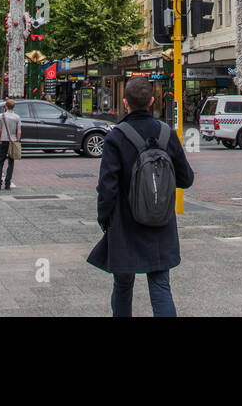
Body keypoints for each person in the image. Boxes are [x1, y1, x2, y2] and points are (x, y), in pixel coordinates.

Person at [87, 76, 194, 317]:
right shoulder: (167, 134)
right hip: (160, 223)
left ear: (125, 103)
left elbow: (107, 187)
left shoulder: (115, 137)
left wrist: (105, 219)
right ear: (152, 102)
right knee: (160, 287)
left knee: (123, 285)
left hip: (125, 225)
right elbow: (186, 179)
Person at [0, 98, 21, 190]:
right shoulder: (17, 117)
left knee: (0, 162)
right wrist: (17, 140)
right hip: (12, 141)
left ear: (6, 106)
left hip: (3, 140)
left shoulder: (1, 116)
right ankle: (7, 183)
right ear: (13, 107)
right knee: (11, 162)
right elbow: (19, 131)